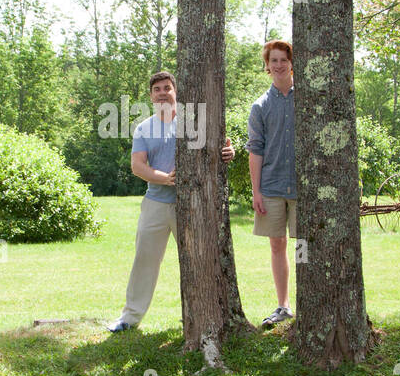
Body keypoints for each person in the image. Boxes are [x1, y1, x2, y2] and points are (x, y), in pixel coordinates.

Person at [108, 71, 235, 333]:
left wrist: (228, 152)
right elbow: (137, 166)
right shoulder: (144, 128)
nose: (163, 92)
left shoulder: (193, 122)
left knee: (196, 261)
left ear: (175, 91)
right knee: (145, 259)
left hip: (190, 207)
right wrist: (165, 178)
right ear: (151, 96)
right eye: (157, 89)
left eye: (167, 87)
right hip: (155, 203)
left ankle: (200, 316)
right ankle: (129, 318)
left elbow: (218, 151)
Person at [247, 39, 297, 328]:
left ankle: (310, 303)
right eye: (273, 61)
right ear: (267, 66)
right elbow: (256, 150)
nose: (278, 65)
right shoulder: (260, 107)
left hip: (303, 188)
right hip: (272, 187)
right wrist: (257, 192)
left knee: (304, 246)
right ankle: (283, 306)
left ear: (291, 63)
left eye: (283, 60)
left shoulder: (306, 100)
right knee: (277, 246)